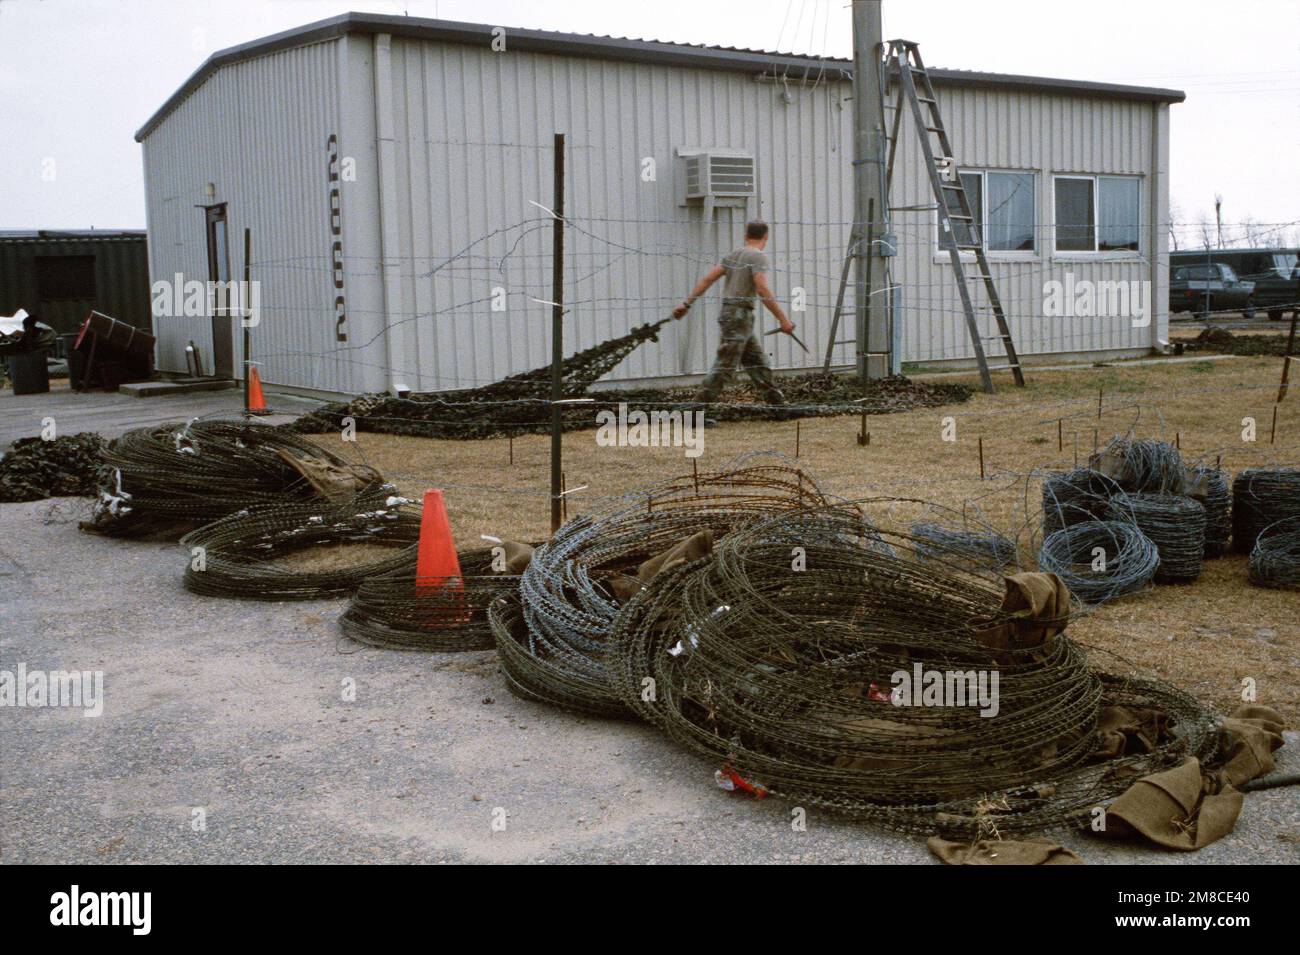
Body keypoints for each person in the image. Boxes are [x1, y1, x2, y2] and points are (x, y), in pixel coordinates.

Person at [673, 220, 793, 405]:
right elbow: (762, 288)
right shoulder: (758, 256)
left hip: (732, 314)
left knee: (757, 362)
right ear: (766, 237)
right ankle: (696, 410)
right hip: (739, 315)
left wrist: (687, 304)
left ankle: (779, 405)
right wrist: (783, 319)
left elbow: (707, 279)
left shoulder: (734, 255)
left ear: (746, 235)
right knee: (725, 365)